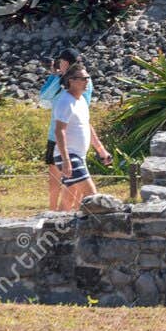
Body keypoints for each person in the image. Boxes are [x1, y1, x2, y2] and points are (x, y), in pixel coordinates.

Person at [39, 49, 93, 211]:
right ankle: (56, 210)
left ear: (66, 63)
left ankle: (62, 211)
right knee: (61, 177)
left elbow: (44, 97)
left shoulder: (76, 81)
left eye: (60, 62)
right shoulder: (81, 79)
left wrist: (56, 78)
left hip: (61, 134)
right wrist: (56, 76)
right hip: (70, 135)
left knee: (68, 179)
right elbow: (45, 98)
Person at [51, 65, 110, 212]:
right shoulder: (65, 101)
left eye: (88, 78)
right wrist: (66, 160)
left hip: (78, 156)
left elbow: (86, 126)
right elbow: (59, 131)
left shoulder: (81, 100)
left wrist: (101, 150)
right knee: (92, 196)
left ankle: (56, 228)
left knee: (70, 199)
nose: (87, 81)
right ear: (71, 80)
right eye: (83, 78)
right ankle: (95, 231)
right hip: (70, 156)